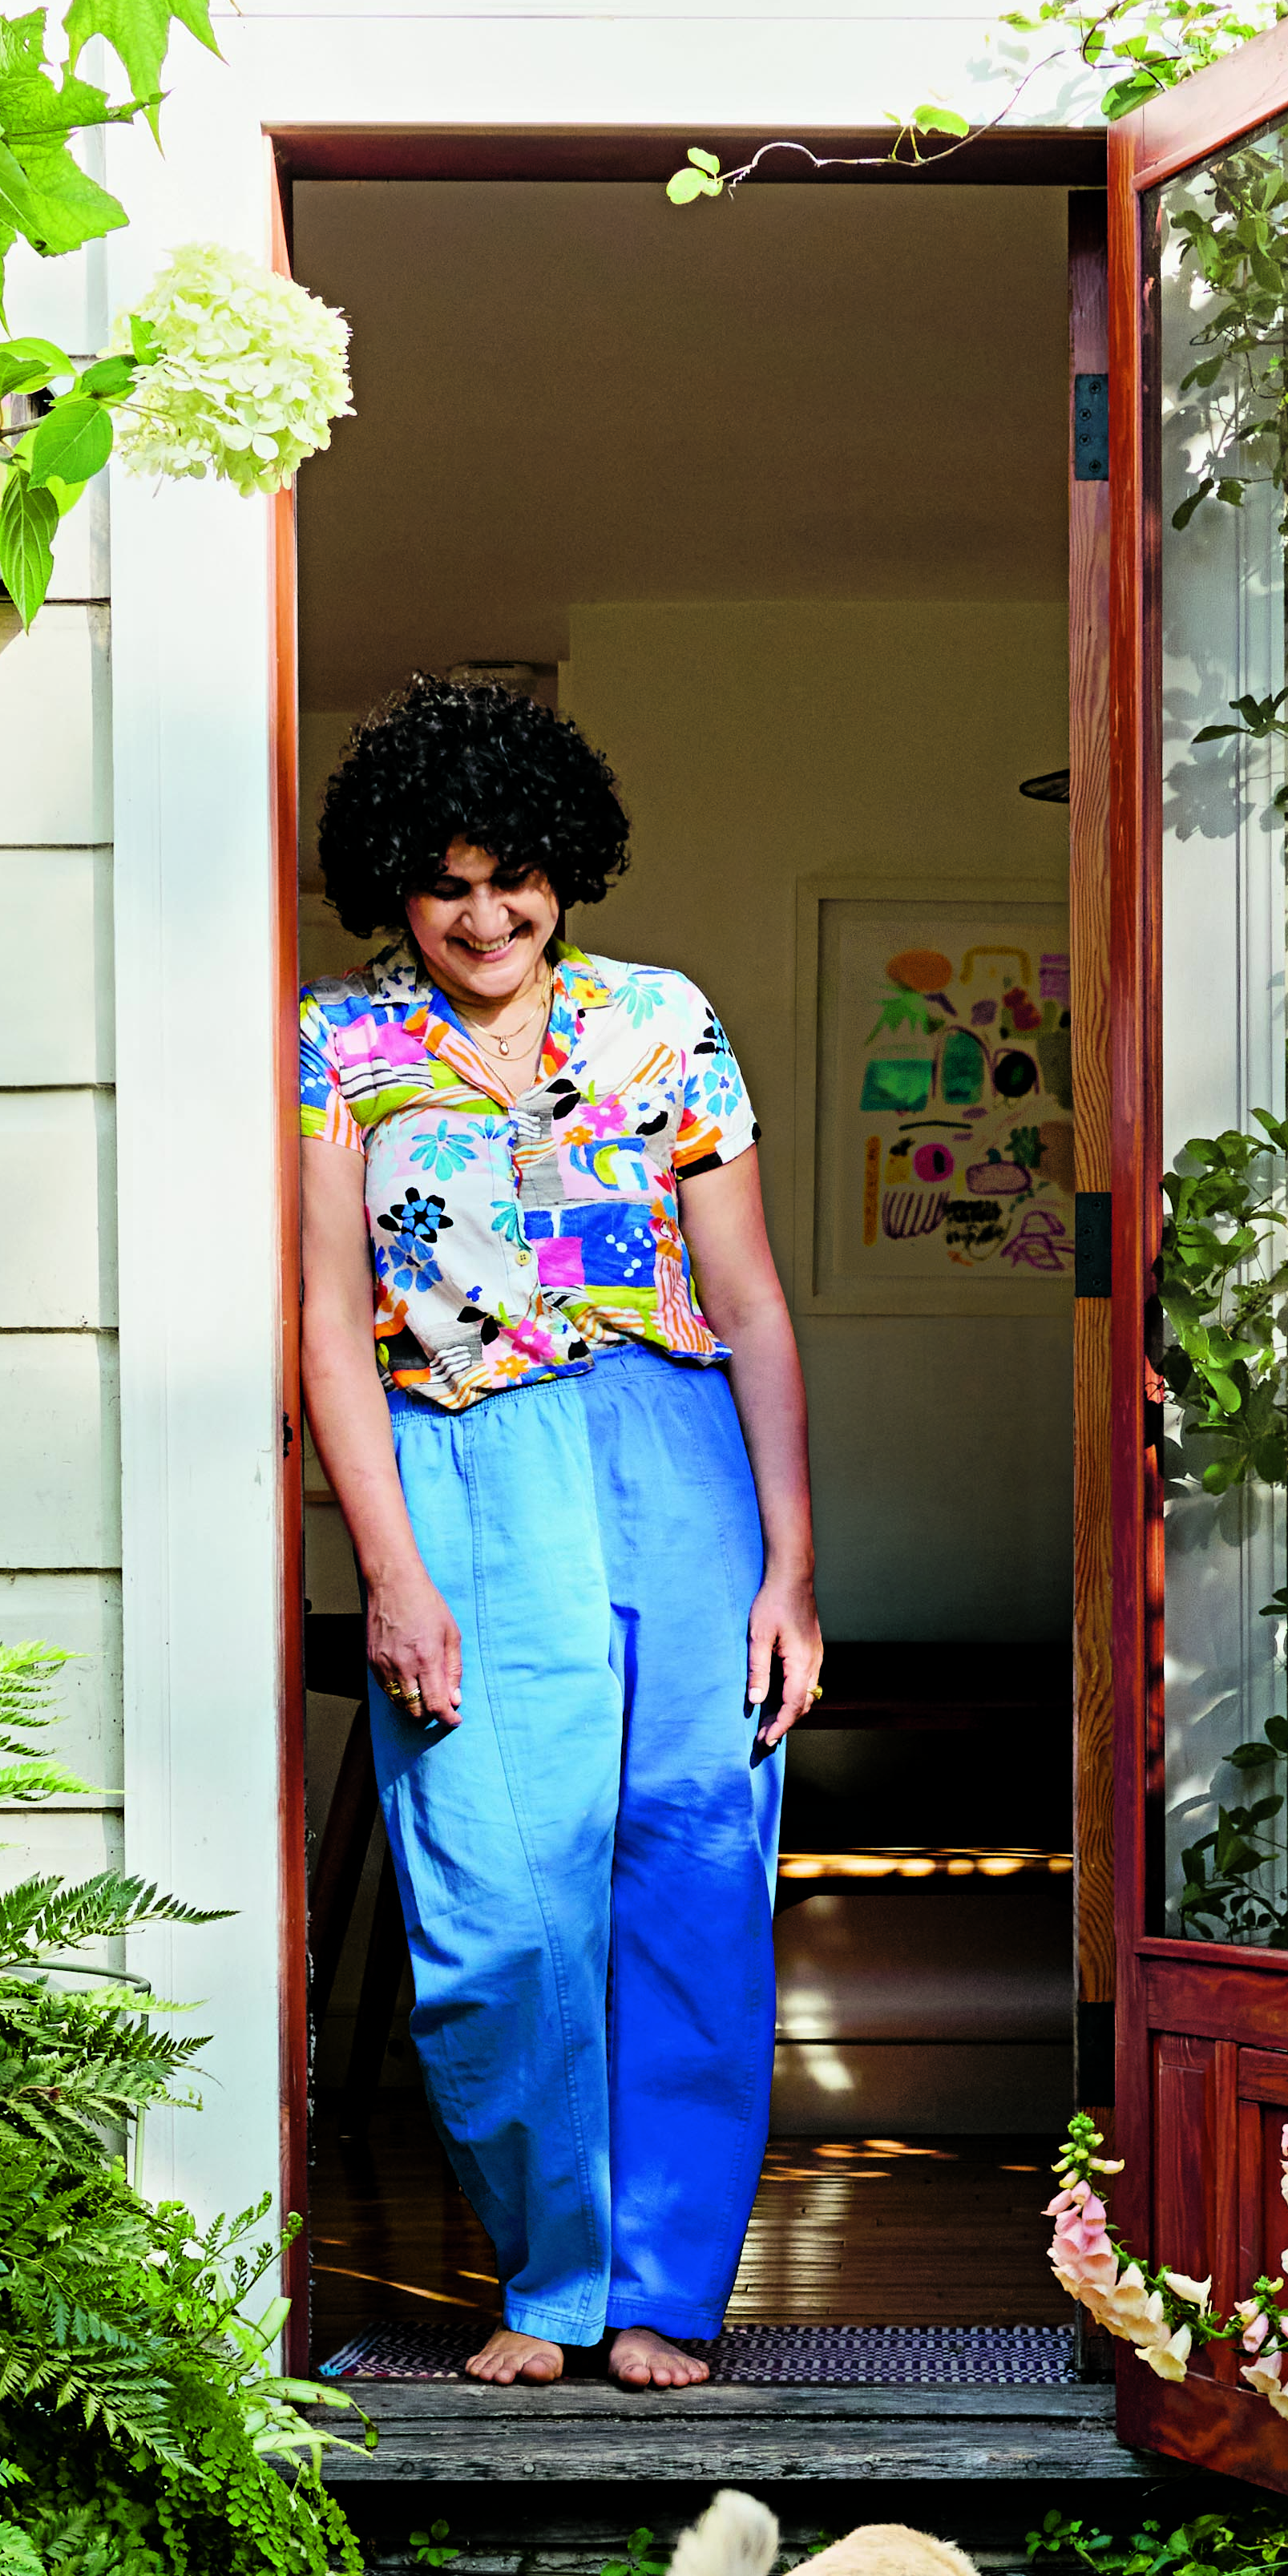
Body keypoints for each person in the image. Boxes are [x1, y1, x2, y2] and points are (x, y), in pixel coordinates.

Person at [293, 676, 827, 2390]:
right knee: (495, 1902)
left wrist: (790, 1566)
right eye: (445, 885)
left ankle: (665, 2288)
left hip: (675, 1458)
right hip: (459, 1462)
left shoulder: (664, 1022)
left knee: (692, 1876)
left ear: (563, 867)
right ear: (396, 888)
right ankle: (553, 2273)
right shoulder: (333, 1050)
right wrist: (389, 1570)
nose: (484, 916)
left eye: (512, 877)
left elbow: (749, 1300)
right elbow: (326, 1327)